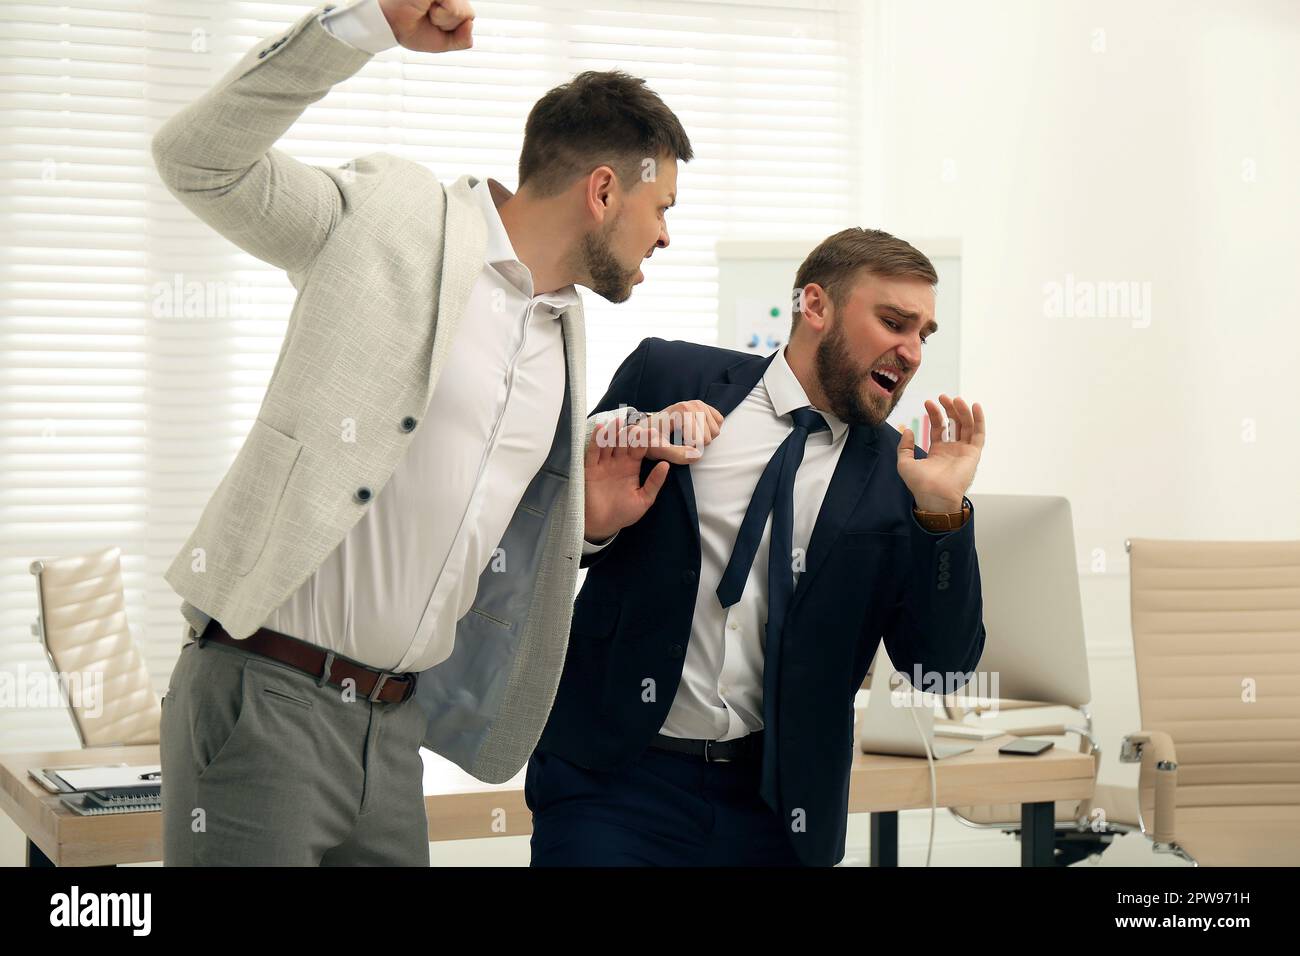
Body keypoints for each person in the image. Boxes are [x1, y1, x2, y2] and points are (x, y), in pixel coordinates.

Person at [152, 0, 693, 865]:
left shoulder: (563, 335)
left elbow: (468, 520)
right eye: (660, 203)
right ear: (602, 190)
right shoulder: (390, 214)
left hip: (393, 732)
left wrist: (582, 524)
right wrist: (359, 27)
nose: (665, 232)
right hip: (269, 695)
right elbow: (197, 162)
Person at [529, 227, 988, 866]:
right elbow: (542, 532)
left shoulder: (903, 476)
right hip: (613, 787)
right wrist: (592, 528)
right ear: (816, 307)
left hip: (777, 813)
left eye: (923, 335)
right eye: (893, 322)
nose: (911, 351)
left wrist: (942, 517)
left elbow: (941, 666)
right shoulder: (667, 375)